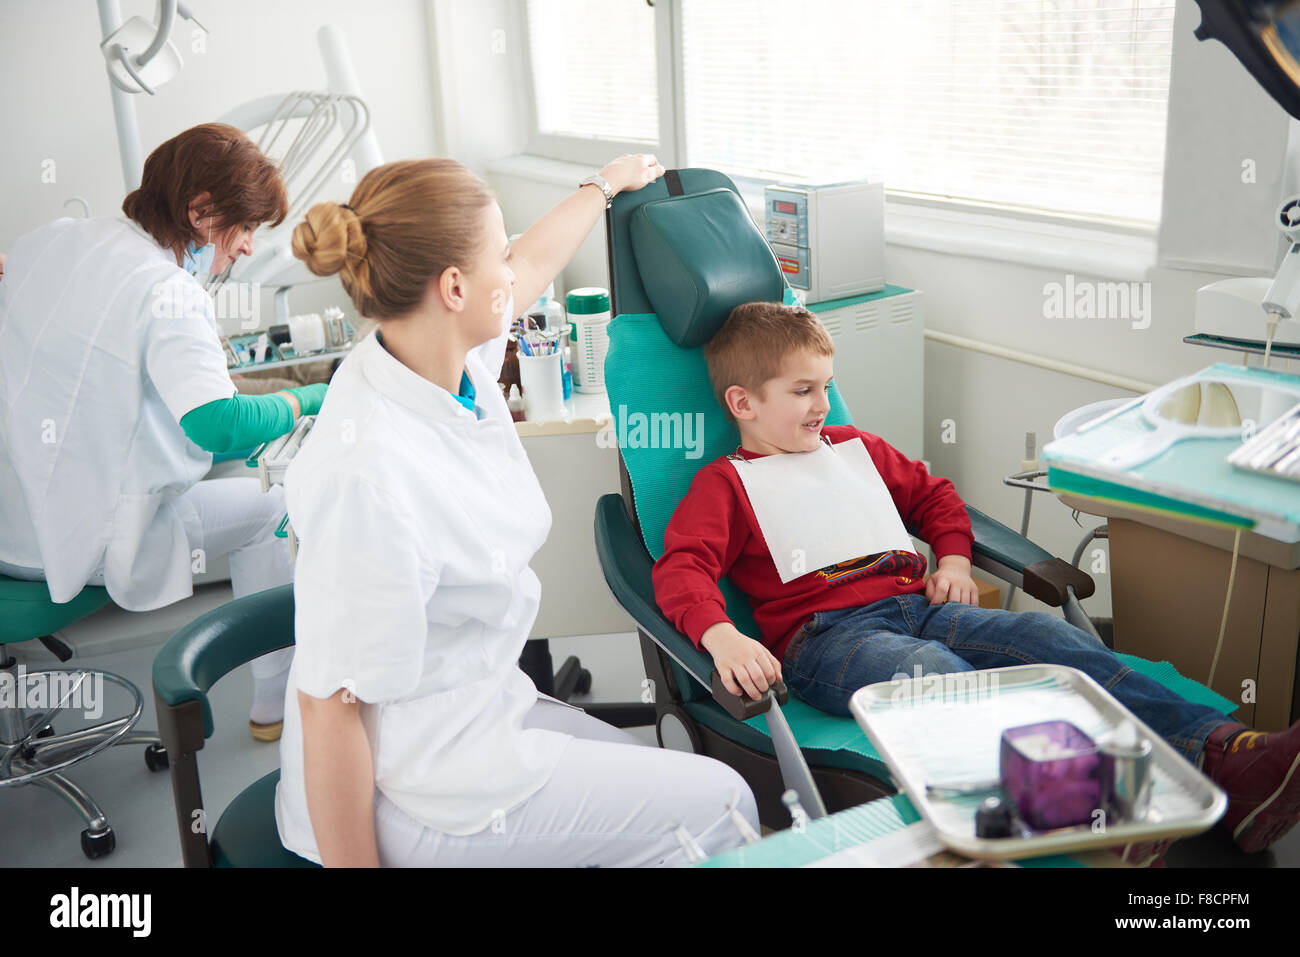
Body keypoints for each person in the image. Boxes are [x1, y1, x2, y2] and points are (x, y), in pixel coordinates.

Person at [652, 299, 1300, 855]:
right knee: (938, 676)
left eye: (826, 385)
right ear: (743, 402)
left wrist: (954, 558)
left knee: (1053, 647)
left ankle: (1226, 757)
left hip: (922, 604)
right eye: (802, 390)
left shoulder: (856, 447)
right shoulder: (727, 485)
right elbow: (684, 567)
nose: (823, 403)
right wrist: (721, 635)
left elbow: (934, 497)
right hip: (828, 640)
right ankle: (1096, 811)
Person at [277, 155, 759, 867]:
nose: (513, 270)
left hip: (476, 711)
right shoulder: (369, 473)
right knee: (724, 804)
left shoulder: (434, 357)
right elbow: (330, 709)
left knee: (657, 782)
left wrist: (602, 187)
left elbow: (530, 265)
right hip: (411, 791)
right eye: (494, 254)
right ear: (452, 287)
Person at [0, 123, 322, 741]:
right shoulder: (166, 290)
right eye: (246, 227)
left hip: (13, 518)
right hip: (69, 541)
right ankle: (274, 704)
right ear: (200, 211)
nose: (249, 247)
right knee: (278, 501)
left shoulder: (60, 239)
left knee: (222, 470)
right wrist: (311, 396)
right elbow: (218, 425)